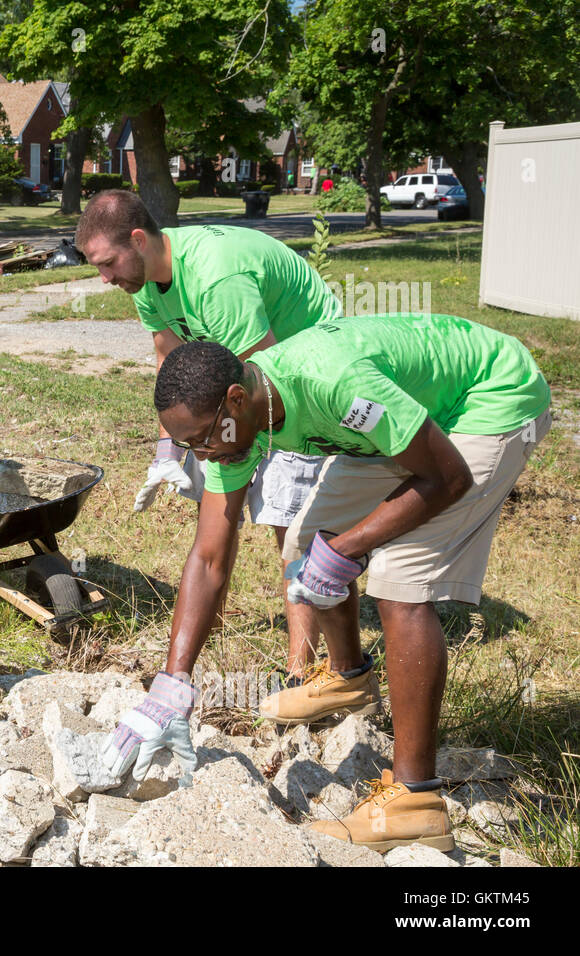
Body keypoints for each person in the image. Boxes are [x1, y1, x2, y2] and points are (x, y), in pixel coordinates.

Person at [101, 313, 550, 852]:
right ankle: (349, 677)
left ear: (236, 400)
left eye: (201, 441)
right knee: (305, 541)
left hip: (489, 396)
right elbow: (209, 557)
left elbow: (447, 476)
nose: (203, 456)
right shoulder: (226, 428)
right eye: (188, 446)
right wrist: (172, 681)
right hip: (410, 414)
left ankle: (415, 800)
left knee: (398, 579)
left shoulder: (332, 385)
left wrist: (350, 548)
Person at [76, 189, 343, 685]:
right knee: (216, 514)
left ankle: (302, 666)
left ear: (138, 239)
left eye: (108, 263)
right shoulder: (148, 282)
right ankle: (207, 625)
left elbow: (261, 382)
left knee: (290, 520)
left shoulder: (216, 279)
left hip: (300, 385)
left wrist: (228, 450)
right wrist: (167, 451)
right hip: (237, 384)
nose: (105, 278)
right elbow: (167, 359)